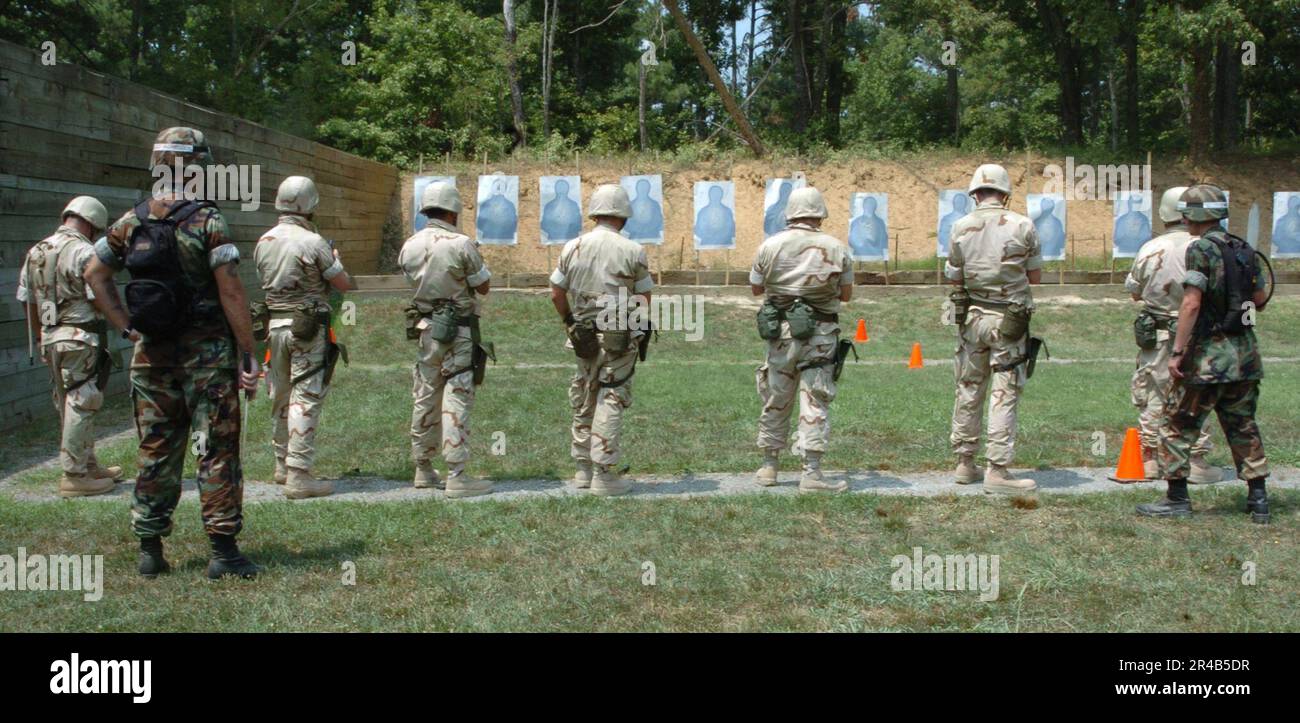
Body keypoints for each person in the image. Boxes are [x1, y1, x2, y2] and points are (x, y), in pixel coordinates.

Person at [84, 127, 261, 580]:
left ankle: (150, 549)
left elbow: (94, 272)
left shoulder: (131, 220)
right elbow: (231, 290)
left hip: (151, 358)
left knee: (156, 448)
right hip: (207, 359)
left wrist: (124, 325)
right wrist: (247, 350)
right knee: (215, 449)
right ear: (199, 167)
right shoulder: (207, 220)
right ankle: (223, 552)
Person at [1138, 184, 1271, 524]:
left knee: (1176, 424)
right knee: (1242, 425)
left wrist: (1178, 351)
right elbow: (1258, 299)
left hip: (1208, 358)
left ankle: (1176, 498)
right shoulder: (1244, 249)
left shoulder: (1200, 250)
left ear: (1193, 216)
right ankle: (1258, 499)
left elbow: (1192, 302)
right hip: (1244, 355)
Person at [550, 184, 654, 496]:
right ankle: (604, 474)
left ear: (595, 213)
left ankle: (582, 469)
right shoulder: (632, 250)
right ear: (623, 216)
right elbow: (644, 299)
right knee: (611, 396)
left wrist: (570, 321)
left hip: (582, 333)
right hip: (618, 335)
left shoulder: (573, 247)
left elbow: (556, 293)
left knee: (584, 392)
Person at [945, 163, 1042, 494]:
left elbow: (954, 277)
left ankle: (964, 462)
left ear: (975, 193)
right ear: (1005, 193)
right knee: (1004, 391)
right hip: (1009, 321)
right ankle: (997, 470)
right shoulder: (1023, 225)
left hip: (972, 318)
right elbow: (1036, 277)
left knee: (968, 386)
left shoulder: (959, 226)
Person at [254, 176, 353, 499]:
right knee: (305, 397)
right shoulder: (314, 243)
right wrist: (333, 257)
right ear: (310, 205)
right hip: (308, 328)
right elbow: (342, 284)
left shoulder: (263, 241)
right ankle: (299, 474)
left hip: (274, 328)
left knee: (280, 395)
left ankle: (282, 464)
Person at [750, 186, 853, 493]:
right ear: (820, 213)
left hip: (780, 335)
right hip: (821, 335)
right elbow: (846, 295)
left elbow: (756, 288)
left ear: (790, 213)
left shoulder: (769, 246)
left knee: (775, 397)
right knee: (815, 399)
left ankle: (769, 466)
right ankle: (812, 473)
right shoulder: (837, 248)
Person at [18, 195, 121, 497]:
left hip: (51, 337)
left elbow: (28, 300)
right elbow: (96, 294)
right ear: (92, 224)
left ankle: (87, 464)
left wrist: (40, 335)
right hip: (81, 336)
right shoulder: (84, 251)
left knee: (68, 402)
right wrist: (116, 319)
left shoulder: (36, 251)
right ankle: (75, 475)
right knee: (83, 401)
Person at [399, 181, 494, 498]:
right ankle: (456, 475)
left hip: (426, 329)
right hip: (459, 331)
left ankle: (423, 468)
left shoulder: (410, 245)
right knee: (457, 396)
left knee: (425, 393)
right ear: (453, 210)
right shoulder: (461, 244)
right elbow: (483, 286)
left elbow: (411, 282)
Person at [1124, 186, 1218, 483]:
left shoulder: (1150, 248)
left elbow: (1135, 293)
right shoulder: (1207, 246)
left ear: (1165, 214)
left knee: (1153, 394)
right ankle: (1196, 461)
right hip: (1197, 334)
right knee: (1195, 396)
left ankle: (1151, 459)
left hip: (1159, 336)